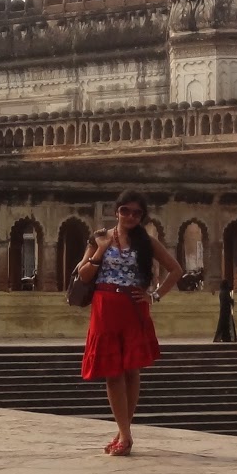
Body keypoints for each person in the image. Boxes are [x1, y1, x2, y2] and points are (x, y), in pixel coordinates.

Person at [78, 190, 182, 456]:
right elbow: (84, 274)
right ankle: (124, 433)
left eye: (137, 213)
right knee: (113, 371)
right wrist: (100, 249)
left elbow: (176, 270)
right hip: (105, 306)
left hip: (133, 307)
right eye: (126, 211)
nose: (131, 216)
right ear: (117, 211)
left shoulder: (146, 242)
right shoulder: (100, 237)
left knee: (132, 371)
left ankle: (123, 432)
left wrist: (154, 295)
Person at [213, 279, 237, 343]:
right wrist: (233, 301)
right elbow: (228, 300)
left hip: (223, 310)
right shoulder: (226, 292)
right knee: (229, 325)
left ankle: (225, 337)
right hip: (226, 311)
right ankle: (232, 337)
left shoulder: (221, 292)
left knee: (223, 325)